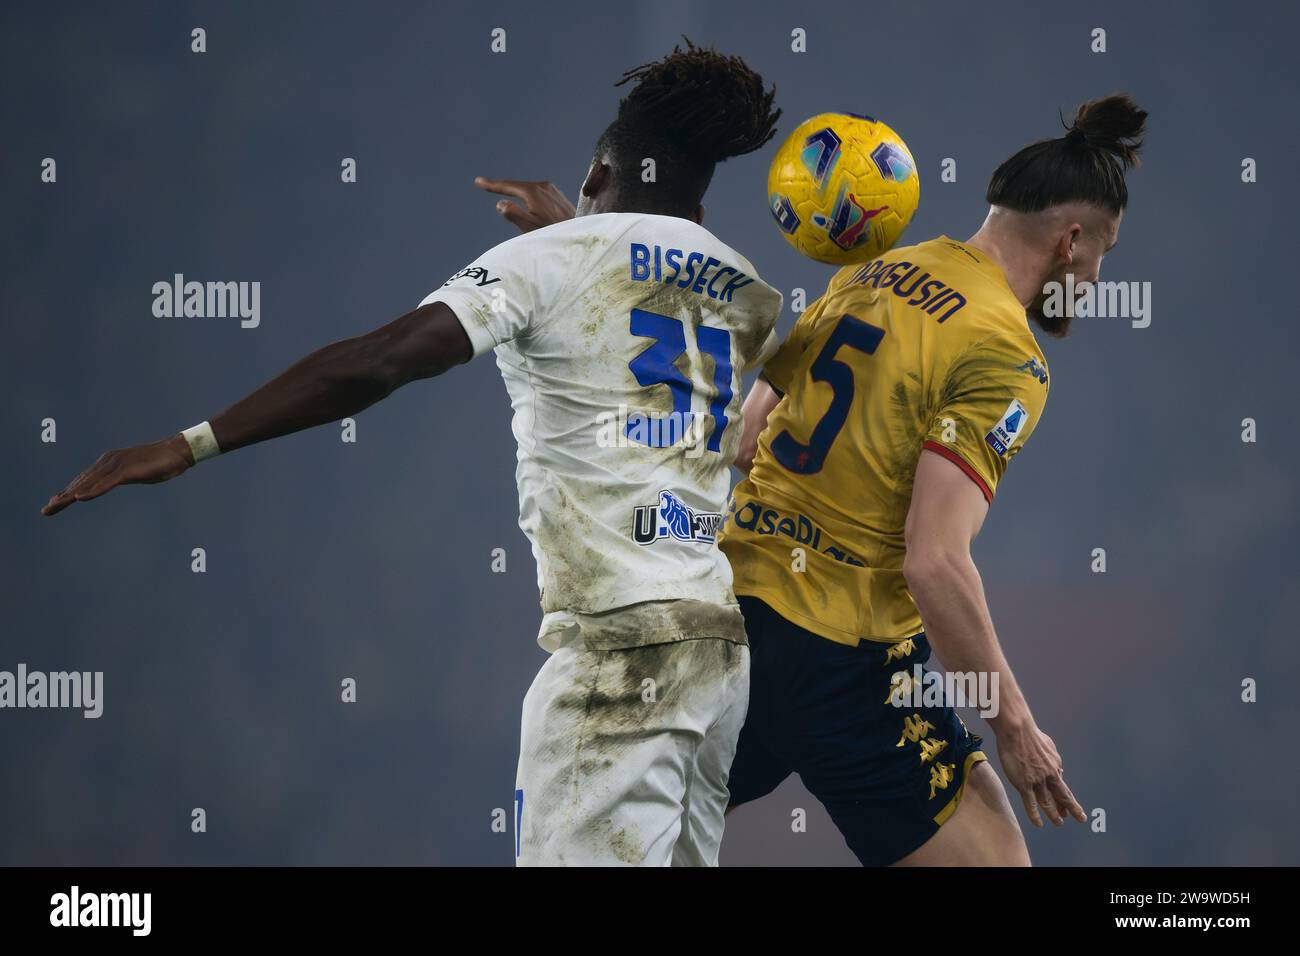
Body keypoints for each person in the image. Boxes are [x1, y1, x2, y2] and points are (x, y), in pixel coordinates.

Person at [42, 41, 784, 867]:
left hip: (618, 653)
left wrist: (190, 445)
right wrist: (582, 232)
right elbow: (635, 292)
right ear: (701, 214)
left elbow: (380, 361)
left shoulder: (551, 260)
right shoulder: (745, 292)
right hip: (714, 652)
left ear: (597, 176)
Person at [717, 94, 1148, 865]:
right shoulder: (1006, 356)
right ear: (1071, 241)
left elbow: (748, 440)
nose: (1095, 278)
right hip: (840, 657)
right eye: (1105, 255)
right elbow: (934, 561)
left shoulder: (877, 268)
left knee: (634, 837)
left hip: (730, 611)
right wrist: (1015, 729)